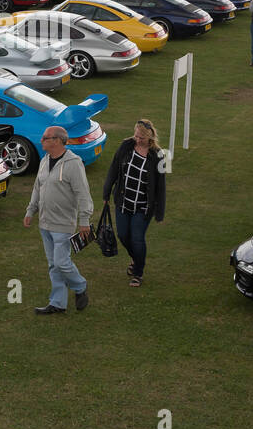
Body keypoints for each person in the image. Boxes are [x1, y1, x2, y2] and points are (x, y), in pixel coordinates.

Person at [23, 125, 93, 315]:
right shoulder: (45, 160)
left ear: (56, 140)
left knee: (62, 262)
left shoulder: (73, 163)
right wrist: (31, 211)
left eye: (45, 138)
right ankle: (58, 303)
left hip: (63, 223)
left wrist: (84, 220)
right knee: (53, 264)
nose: (41, 140)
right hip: (45, 222)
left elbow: (83, 193)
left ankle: (80, 286)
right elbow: (38, 187)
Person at [101, 119, 166, 288]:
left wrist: (160, 212)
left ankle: (138, 272)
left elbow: (161, 186)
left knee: (137, 239)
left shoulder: (159, 155)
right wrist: (106, 192)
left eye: (141, 138)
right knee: (123, 235)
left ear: (150, 137)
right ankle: (137, 259)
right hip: (123, 202)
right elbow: (113, 169)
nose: (137, 140)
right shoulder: (126, 146)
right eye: (136, 136)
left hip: (143, 207)